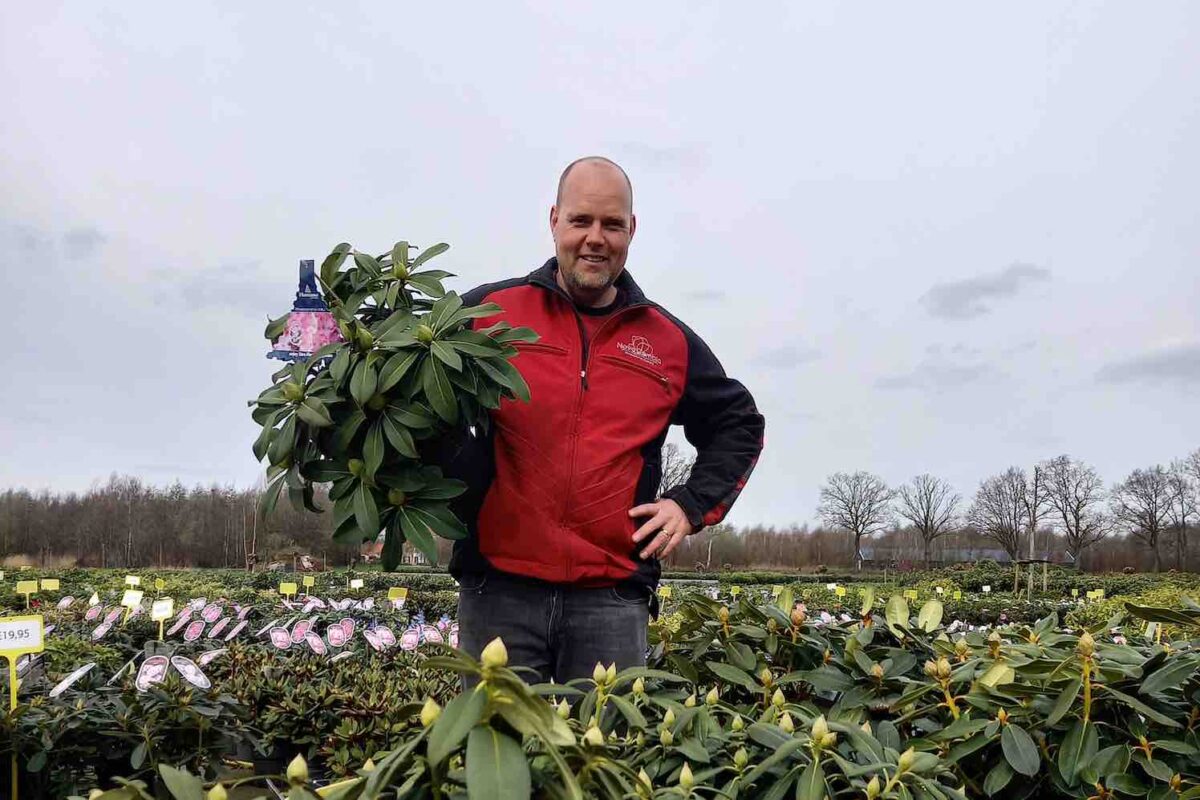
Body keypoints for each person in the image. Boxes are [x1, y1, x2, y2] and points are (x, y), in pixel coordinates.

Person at [441, 156, 764, 685]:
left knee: (601, 764)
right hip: (498, 594)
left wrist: (691, 504)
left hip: (610, 605)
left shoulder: (667, 341)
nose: (596, 238)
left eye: (612, 224)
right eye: (581, 221)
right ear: (554, 221)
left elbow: (739, 423)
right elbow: (402, 372)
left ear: (631, 231)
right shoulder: (490, 313)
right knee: (494, 761)